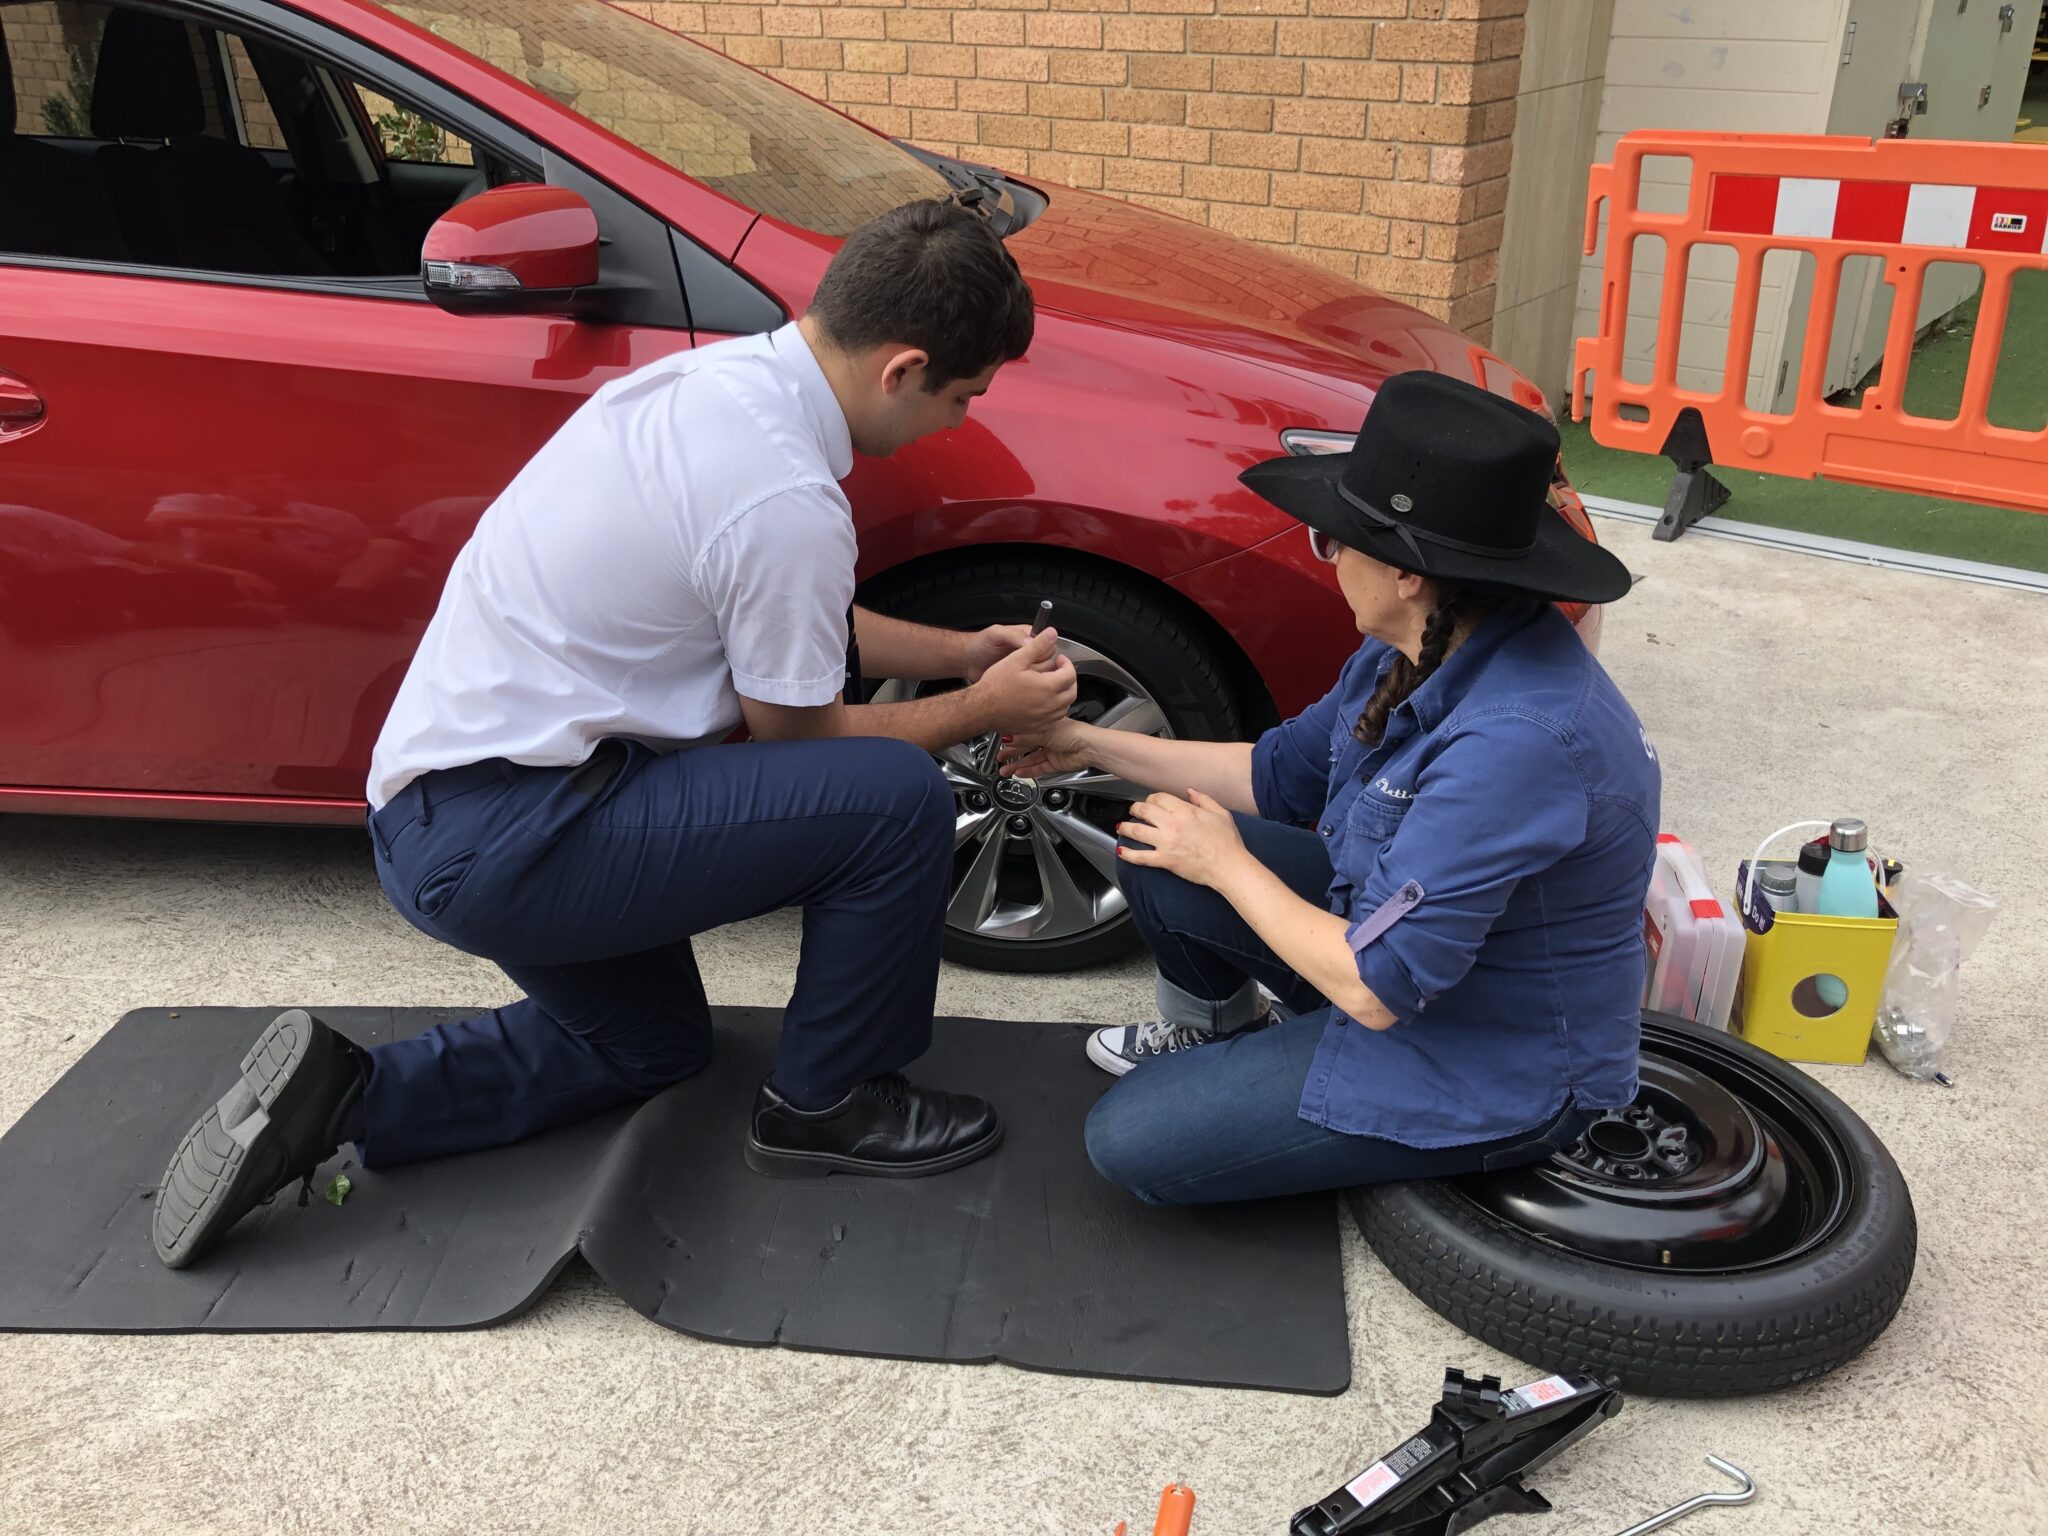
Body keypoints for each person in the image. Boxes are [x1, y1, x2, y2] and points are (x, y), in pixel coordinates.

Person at [153, 199, 1074, 1268]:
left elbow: (774, 612)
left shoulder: (706, 389)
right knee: (894, 803)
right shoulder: (783, 491)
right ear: (901, 369)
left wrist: (961, 654)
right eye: (960, 398)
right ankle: (828, 1105)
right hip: (519, 833)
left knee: (652, 1049)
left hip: (439, 812)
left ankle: (344, 1099)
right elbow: (801, 741)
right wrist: (983, 714)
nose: (956, 422)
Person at [1001, 371, 1659, 1206]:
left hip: (1488, 1054)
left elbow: (1379, 988)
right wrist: (1084, 743)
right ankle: (1220, 1033)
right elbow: (1272, 775)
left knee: (1128, 1141)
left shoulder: (1517, 745)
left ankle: (1320, 1084)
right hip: (1398, 952)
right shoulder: (1418, 647)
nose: (1329, 553)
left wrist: (1226, 865)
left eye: (1334, 539)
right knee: (1157, 835)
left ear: (1410, 573)